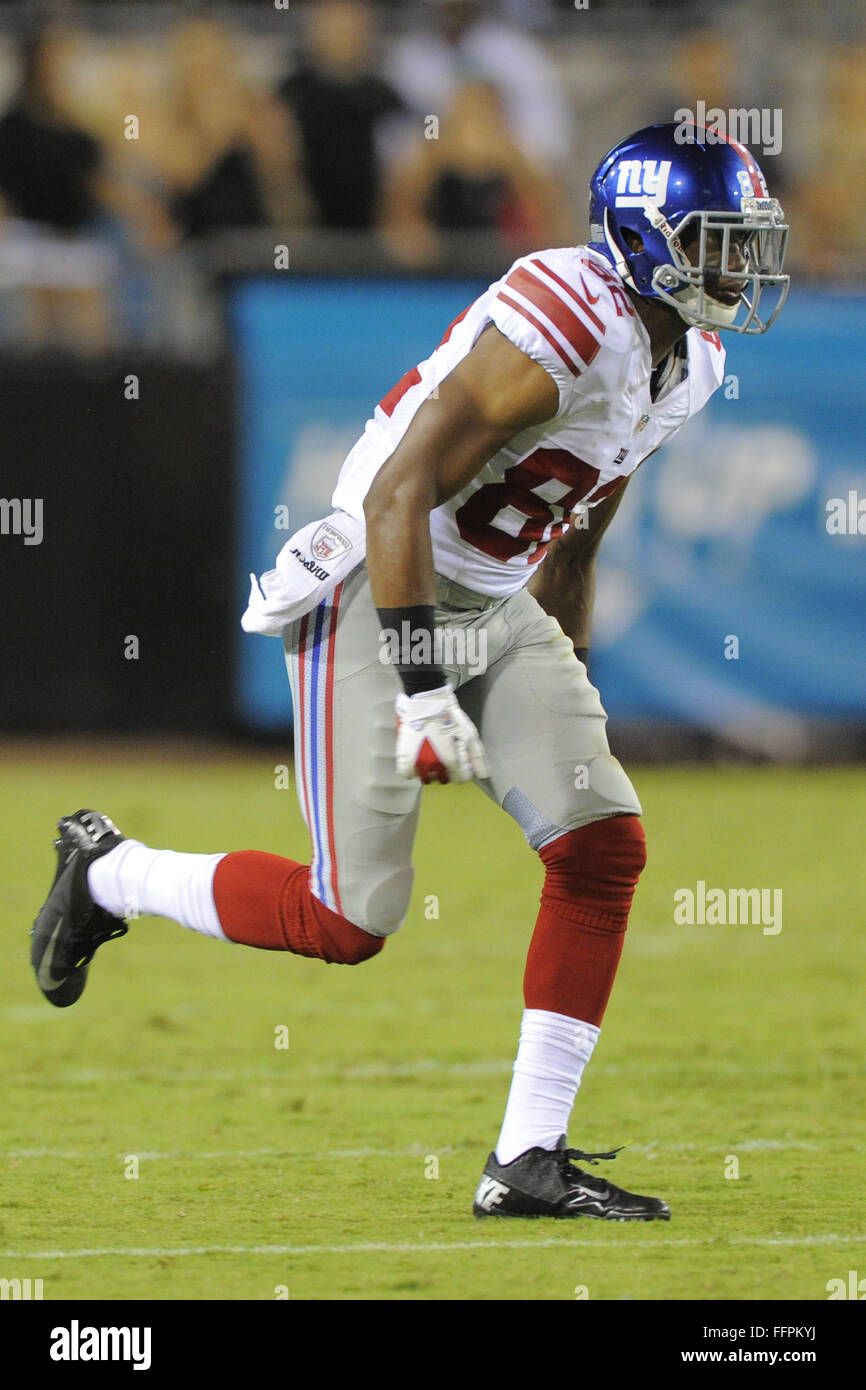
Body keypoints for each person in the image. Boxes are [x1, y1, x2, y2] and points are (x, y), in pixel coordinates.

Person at [30, 124, 789, 1221]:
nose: (740, 269)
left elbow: (576, 524)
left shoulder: (690, 359)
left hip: (491, 595)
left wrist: (563, 671)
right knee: (351, 919)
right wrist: (427, 693)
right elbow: (395, 493)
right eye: (718, 243)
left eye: (745, 243)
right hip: (378, 581)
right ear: (642, 237)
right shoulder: (566, 316)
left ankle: (525, 1159)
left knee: (598, 843)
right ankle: (108, 873)